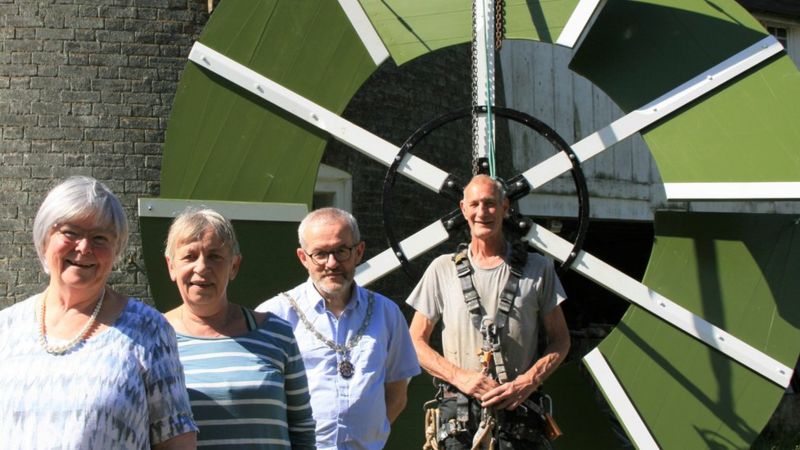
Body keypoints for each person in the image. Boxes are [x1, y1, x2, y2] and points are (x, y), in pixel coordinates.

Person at [0, 176, 198, 449]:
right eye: (70, 232)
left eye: (100, 238)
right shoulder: (6, 329)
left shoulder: (148, 331)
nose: (83, 248)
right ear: (45, 238)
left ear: (116, 250)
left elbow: (177, 442)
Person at [406, 174, 571, 449]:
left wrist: (528, 382)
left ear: (505, 207)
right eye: (475, 205)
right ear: (463, 209)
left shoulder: (538, 268)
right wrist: (461, 378)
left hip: (520, 416)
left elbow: (561, 339)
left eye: (490, 204)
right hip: (458, 420)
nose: (482, 212)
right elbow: (415, 341)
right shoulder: (442, 269)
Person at [256, 207, 420, 450]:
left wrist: (369, 435)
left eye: (341, 251)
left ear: (359, 252)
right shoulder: (273, 316)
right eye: (320, 254)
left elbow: (396, 393)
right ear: (303, 257)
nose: (332, 264)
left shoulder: (386, 314)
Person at [162, 208, 316, 449]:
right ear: (171, 266)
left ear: (234, 266)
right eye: (190, 256)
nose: (201, 267)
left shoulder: (276, 334)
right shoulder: (152, 340)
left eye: (214, 256)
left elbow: (303, 430)